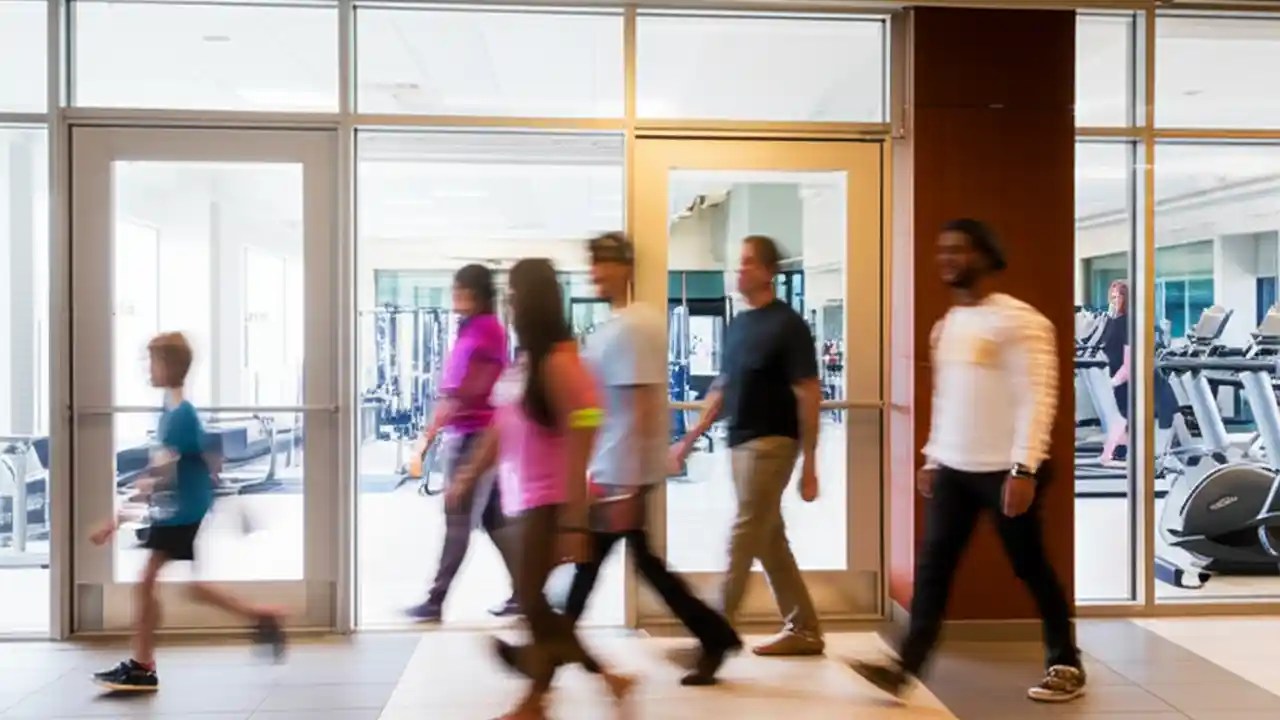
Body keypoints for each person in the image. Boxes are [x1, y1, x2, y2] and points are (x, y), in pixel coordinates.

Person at [848, 219, 1086, 704]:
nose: (947, 259)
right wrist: (933, 456)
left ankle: (1065, 660)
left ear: (983, 255)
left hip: (1006, 471)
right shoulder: (949, 324)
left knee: (1030, 566)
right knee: (933, 567)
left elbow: (1037, 398)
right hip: (956, 468)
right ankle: (905, 666)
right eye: (942, 251)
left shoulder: (1022, 321)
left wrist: (1024, 469)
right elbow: (949, 398)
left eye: (957, 250)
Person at [446, 258, 633, 720]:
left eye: (513, 294)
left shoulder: (561, 362)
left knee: (530, 598)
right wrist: (469, 475)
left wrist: (573, 517)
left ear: (531, 300)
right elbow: (499, 427)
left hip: (552, 501)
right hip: (523, 497)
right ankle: (599, 679)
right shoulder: (526, 361)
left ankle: (539, 696)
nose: (507, 302)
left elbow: (588, 419)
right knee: (533, 601)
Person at [562, 232, 741, 686]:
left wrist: (628, 484)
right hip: (610, 466)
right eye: (593, 263)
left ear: (625, 267)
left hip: (621, 471)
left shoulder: (635, 326)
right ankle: (715, 636)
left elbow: (642, 406)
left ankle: (550, 648)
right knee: (632, 564)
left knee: (601, 562)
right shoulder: (614, 327)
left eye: (603, 263)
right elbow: (598, 403)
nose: (595, 272)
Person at [90, 332, 286, 692]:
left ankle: (143, 666)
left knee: (146, 583)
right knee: (188, 588)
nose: (147, 368)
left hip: (184, 511)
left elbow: (158, 476)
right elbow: (178, 466)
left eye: (152, 361)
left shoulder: (179, 416)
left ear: (167, 366)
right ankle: (262, 616)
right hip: (187, 507)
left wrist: (116, 521)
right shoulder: (172, 409)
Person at [670, 234, 825, 657]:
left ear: (769, 271)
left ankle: (716, 635)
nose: (740, 270)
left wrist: (810, 462)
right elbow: (723, 387)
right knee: (768, 536)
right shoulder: (740, 325)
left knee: (744, 532)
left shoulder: (787, 325)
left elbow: (809, 392)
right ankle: (805, 628)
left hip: (773, 444)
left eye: (749, 263)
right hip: (739, 444)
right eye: (738, 263)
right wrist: (689, 438)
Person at [407, 264, 517, 622]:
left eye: (460, 289)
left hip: (474, 436)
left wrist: (427, 437)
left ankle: (435, 600)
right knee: (492, 517)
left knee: (457, 518)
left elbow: (465, 390)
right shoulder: (478, 329)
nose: (455, 296)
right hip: (473, 433)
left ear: (474, 293)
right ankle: (527, 594)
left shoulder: (485, 332)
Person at [1099, 279, 1129, 464]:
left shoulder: (1127, 322)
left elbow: (1129, 359)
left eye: (1119, 296)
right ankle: (1113, 451)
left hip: (1122, 376)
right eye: (1112, 296)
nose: (1114, 299)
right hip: (1109, 372)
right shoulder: (1111, 320)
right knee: (1117, 417)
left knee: (1121, 416)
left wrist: (1115, 381)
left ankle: (1114, 452)